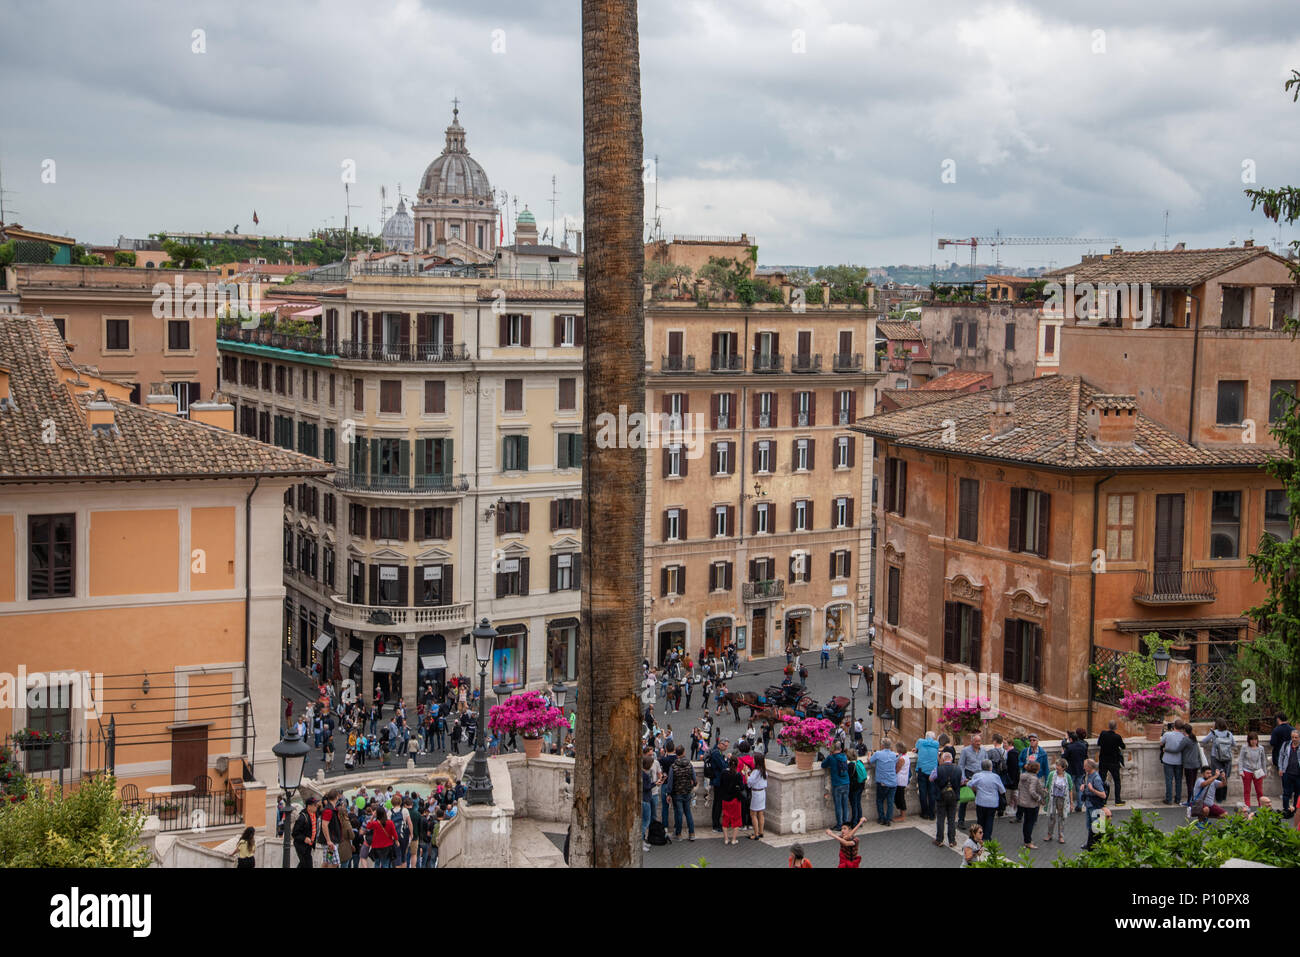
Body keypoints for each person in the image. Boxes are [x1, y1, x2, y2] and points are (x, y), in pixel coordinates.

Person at [968, 758, 1006, 841]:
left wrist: (976, 789)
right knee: (990, 820)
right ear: (991, 767)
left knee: (980, 820)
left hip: (981, 801)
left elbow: (969, 784)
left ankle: (979, 836)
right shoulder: (996, 777)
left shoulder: (977, 775)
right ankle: (987, 837)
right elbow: (1002, 790)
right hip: (992, 803)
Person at [931, 751, 963, 847]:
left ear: (943, 759)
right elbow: (962, 782)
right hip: (954, 797)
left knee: (940, 818)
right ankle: (952, 841)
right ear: (952, 759)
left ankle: (939, 840)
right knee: (951, 819)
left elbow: (931, 778)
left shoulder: (938, 769)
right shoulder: (958, 769)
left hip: (941, 796)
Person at [666, 745, 697, 841]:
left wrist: (668, 793)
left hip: (677, 793)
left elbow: (670, 781)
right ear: (684, 753)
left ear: (676, 753)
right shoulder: (689, 764)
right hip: (687, 791)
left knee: (678, 813)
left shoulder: (673, 766)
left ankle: (678, 834)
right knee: (688, 812)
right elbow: (694, 779)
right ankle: (691, 833)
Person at [1202, 718, 1235, 801]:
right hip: (1227, 758)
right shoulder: (1229, 733)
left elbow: (1204, 741)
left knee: (1217, 777)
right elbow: (1234, 744)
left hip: (1215, 757)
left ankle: (1218, 798)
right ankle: (1224, 796)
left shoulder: (1214, 733)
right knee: (1225, 777)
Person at [822, 741, 851, 830]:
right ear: (840, 749)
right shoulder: (844, 756)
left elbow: (823, 765)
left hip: (837, 784)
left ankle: (839, 825)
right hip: (846, 783)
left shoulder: (831, 758)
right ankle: (845, 824)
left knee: (838, 806)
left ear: (832, 749)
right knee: (845, 805)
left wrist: (830, 755)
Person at [956, 732, 983, 830]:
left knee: (980, 799)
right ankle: (961, 820)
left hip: (979, 777)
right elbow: (961, 765)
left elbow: (986, 763)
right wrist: (963, 778)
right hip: (968, 776)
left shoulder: (983, 751)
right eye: (976, 741)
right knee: (965, 799)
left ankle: (980, 821)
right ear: (972, 742)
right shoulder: (965, 751)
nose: (978, 743)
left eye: (979, 741)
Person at [1097, 720, 1127, 805]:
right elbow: (1123, 746)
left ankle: (1103, 800)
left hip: (1103, 761)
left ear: (1108, 726)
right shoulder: (1117, 737)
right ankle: (1118, 800)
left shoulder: (1103, 734)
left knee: (1101, 780)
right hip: (1114, 762)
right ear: (1116, 727)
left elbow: (1098, 743)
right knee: (1117, 781)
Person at [1080, 758, 1108, 850]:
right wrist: (1084, 787)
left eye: (1085, 766)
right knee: (1089, 826)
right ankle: (1090, 843)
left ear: (1089, 767)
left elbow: (1103, 795)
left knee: (1097, 827)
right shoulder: (1088, 775)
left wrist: (1092, 790)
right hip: (1089, 804)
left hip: (1095, 806)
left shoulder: (1096, 778)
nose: (1083, 768)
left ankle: (1098, 845)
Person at [1017, 761, 1046, 848]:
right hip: (1031, 804)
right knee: (1030, 823)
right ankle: (1028, 842)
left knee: (1026, 822)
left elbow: (1019, 788)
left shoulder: (1022, 776)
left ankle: (1026, 840)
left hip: (1023, 803)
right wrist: (1039, 798)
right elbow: (1032, 791)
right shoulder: (1034, 778)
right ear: (1036, 770)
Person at [1044, 758, 1072, 844]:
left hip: (1062, 799)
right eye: (1056, 765)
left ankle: (1061, 836)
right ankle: (1049, 834)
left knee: (1062, 817)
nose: (1056, 767)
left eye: (1058, 765)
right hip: (1053, 798)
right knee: (1051, 816)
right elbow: (1047, 786)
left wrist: (1071, 803)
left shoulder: (1067, 776)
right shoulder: (1052, 774)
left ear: (1063, 767)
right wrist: (1046, 795)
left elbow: (1070, 789)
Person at [718, 754, 745, 845]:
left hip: (725, 799)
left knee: (725, 819)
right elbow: (742, 787)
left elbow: (720, 784)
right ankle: (733, 839)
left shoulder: (723, 772)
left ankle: (726, 839)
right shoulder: (738, 775)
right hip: (735, 800)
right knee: (736, 819)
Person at [1161, 719, 1189, 804]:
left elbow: (1161, 743)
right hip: (1179, 761)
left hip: (1168, 760)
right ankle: (1178, 799)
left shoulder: (1167, 734)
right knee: (1178, 780)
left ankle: (1169, 799)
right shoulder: (1184, 736)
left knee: (1168, 780)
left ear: (1174, 726)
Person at [1062, 729, 1088, 811]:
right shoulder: (1083, 746)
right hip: (1080, 770)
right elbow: (1085, 757)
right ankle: (1079, 805)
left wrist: (1063, 752)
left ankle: (1069, 805)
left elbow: (1064, 757)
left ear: (1071, 739)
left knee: (1068, 788)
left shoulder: (1069, 747)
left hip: (1071, 770)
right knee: (1079, 788)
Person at [915, 731, 939, 820]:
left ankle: (924, 813)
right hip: (932, 771)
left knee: (923, 792)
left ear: (925, 736)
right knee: (932, 793)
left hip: (922, 770)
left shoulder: (920, 741)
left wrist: (917, 750)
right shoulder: (936, 743)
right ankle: (932, 814)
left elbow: (916, 749)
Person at [1239, 732, 1267, 808]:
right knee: (1247, 790)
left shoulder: (1261, 748)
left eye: (1255, 740)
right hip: (1247, 770)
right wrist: (1241, 771)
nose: (1254, 741)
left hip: (1258, 771)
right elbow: (1241, 759)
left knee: (1259, 791)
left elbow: (1263, 760)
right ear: (1249, 740)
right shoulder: (1244, 747)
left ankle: (1261, 807)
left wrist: (1265, 771)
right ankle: (1247, 807)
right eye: (1252, 740)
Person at [707, 738, 730, 831]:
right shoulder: (717, 753)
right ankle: (716, 825)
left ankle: (716, 823)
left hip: (718, 780)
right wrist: (727, 759)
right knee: (718, 804)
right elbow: (723, 766)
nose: (726, 748)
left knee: (718, 803)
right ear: (720, 744)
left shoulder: (717, 752)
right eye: (725, 746)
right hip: (718, 781)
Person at [291, 796, 320, 868]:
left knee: (303, 864)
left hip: (309, 845)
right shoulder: (302, 817)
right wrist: (304, 838)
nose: (317, 806)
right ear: (309, 807)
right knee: (307, 865)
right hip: (301, 846)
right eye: (315, 805)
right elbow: (294, 834)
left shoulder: (314, 815)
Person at [1279, 728, 1300, 817]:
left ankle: (1295, 809)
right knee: (1286, 792)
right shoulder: (1286, 745)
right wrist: (1280, 768)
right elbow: (1281, 756)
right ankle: (1286, 809)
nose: (1294, 739)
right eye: (1292, 737)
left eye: (1296, 737)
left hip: (1298, 774)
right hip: (1287, 772)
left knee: (1298, 793)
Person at [747, 753, 768, 839]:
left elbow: (749, 782)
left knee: (753, 814)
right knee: (761, 813)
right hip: (762, 792)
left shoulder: (755, 772)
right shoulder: (764, 771)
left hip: (756, 793)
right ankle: (761, 831)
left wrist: (746, 774)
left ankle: (756, 834)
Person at [1181, 724, 1202, 806]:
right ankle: (1193, 799)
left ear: (1184, 731)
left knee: (1189, 784)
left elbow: (1178, 748)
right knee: (1193, 783)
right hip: (1195, 764)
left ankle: (1190, 800)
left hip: (1188, 765)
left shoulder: (1186, 739)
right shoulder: (1194, 739)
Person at [847, 747, 868, 827]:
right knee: (858, 803)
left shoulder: (850, 766)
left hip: (854, 788)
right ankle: (860, 820)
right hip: (861, 785)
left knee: (854, 805)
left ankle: (855, 823)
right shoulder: (860, 762)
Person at [641, 754, 656, 851]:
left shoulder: (641, 773)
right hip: (645, 799)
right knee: (645, 822)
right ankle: (641, 842)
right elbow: (646, 787)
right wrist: (655, 784)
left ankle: (642, 841)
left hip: (644, 799)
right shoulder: (645, 775)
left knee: (644, 821)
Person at [894, 740, 911, 820]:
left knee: (900, 798)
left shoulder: (901, 759)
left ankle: (902, 816)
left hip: (899, 780)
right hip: (903, 779)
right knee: (900, 797)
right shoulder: (906, 757)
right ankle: (901, 815)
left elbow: (897, 770)